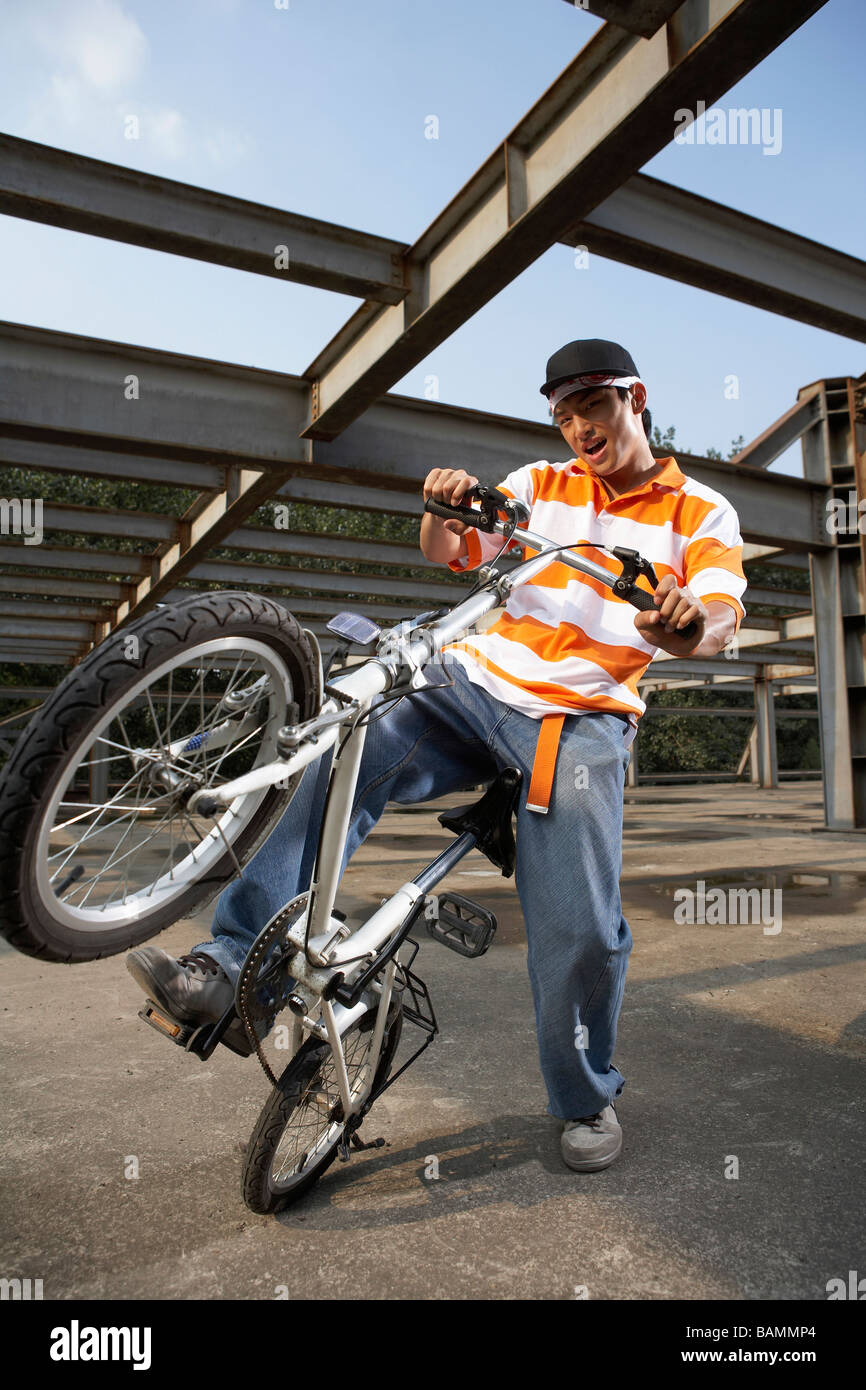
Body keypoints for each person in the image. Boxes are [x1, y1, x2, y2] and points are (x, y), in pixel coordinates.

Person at [127, 339, 746, 1173]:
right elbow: (450, 551)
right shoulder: (536, 485)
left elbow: (718, 618)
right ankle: (226, 966)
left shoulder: (698, 510)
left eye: (591, 407)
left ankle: (584, 1096)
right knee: (344, 756)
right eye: (562, 414)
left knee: (582, 929)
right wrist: (443, 506)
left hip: (582, 719)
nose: (577, 428)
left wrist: (683, 624)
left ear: (634, 397)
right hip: (470, 687)